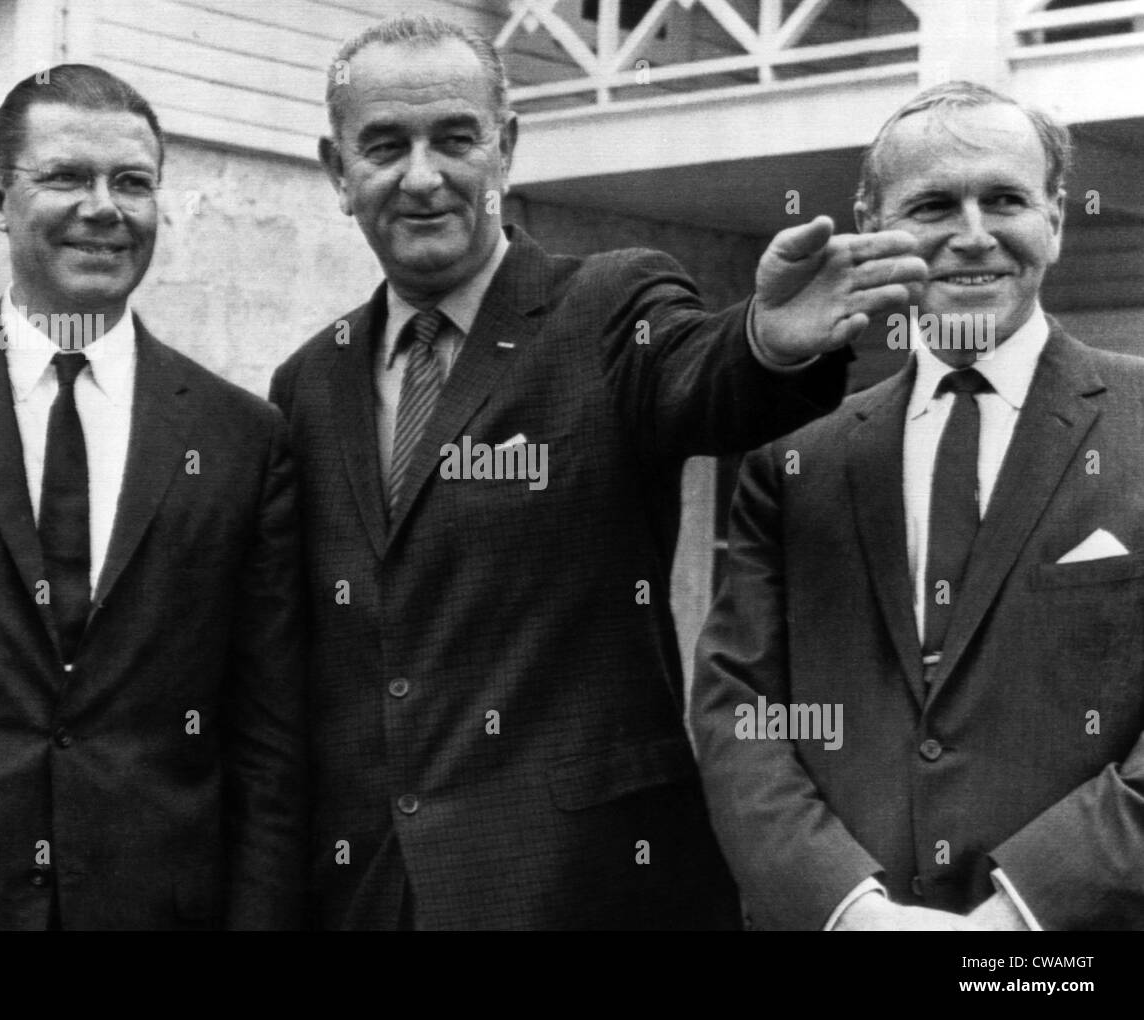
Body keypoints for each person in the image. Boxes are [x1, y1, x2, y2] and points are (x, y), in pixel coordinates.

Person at [270, 15, 925, 930]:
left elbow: (700, 376)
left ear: (506, 149)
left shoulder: (608, 306)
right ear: (339, 173)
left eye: (456, 139)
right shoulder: (307, 380)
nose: (423, 176)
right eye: (385, 146)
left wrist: (763, 344)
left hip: (586, 888)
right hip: (372, 895)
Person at [0, 64, 305, 930]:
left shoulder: (241, 437)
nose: (104, 207)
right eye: (66, 177)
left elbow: (268, 743)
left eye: (132, 182)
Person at [692, 80, 1144, 930]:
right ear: (875, 227)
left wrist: (1019, 919)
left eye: (1005, 199)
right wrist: (851, 909)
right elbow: (738, 709)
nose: (973, 236)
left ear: (1055, 217)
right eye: (934, 204)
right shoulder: (794, 462)